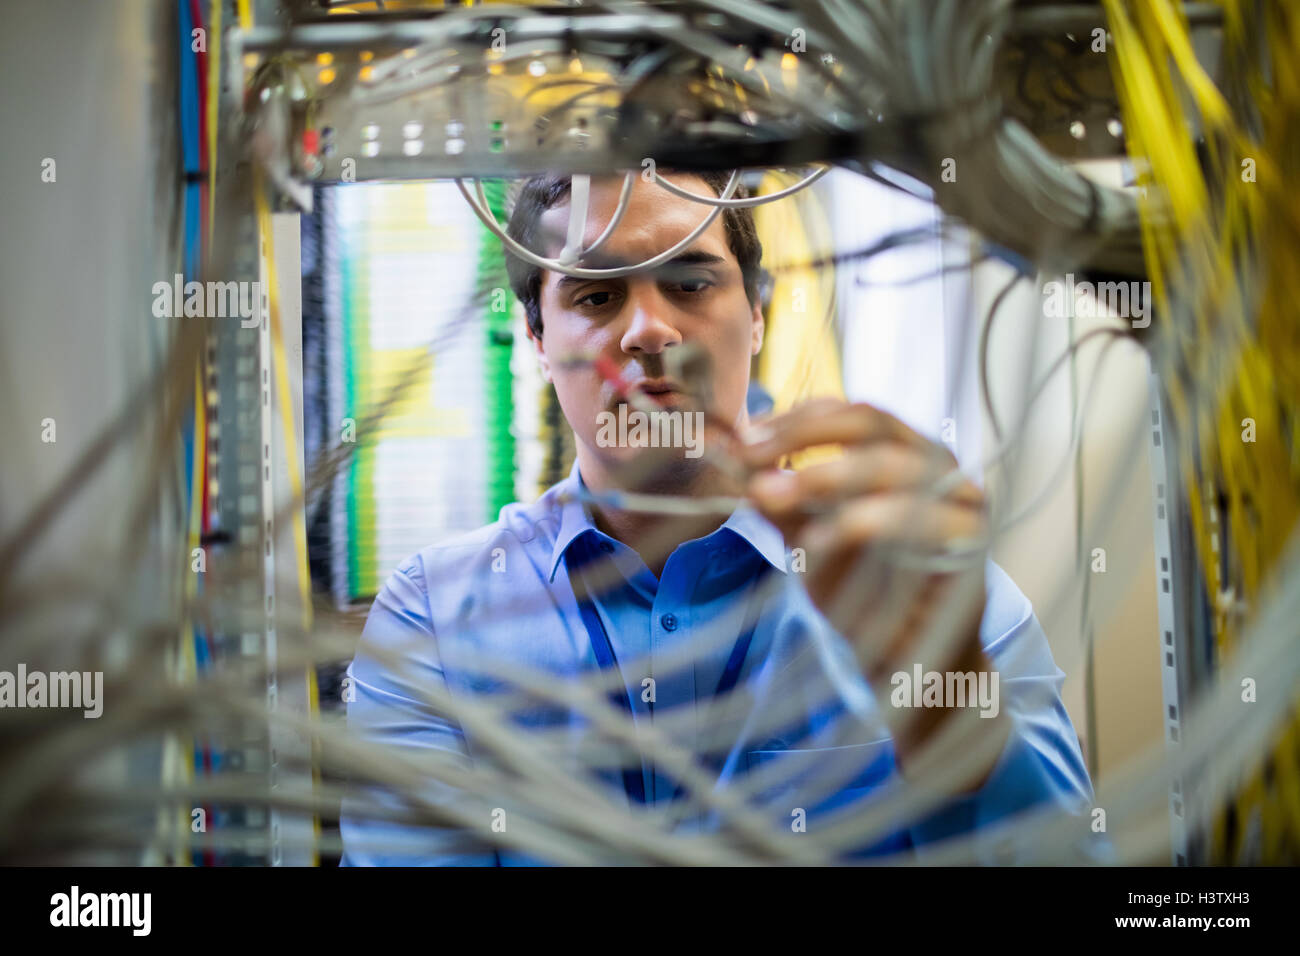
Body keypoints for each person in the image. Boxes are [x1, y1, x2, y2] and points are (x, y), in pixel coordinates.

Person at [339, 169, 1094, 865]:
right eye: (596, 295)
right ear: (537, 339)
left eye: (691, 283)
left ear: (758, 317)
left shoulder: (922, 588)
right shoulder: (434, 620)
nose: (649, 331)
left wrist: (949, 707)